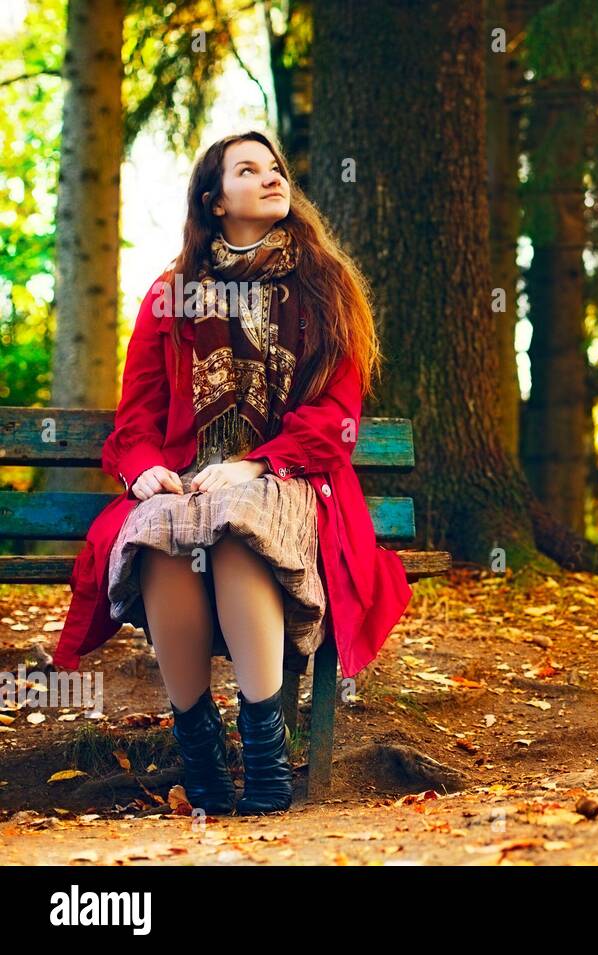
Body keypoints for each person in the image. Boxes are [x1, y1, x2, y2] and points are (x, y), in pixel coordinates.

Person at [54, 131, 414, 815]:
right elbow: (137, 416)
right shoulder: (172, 296)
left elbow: (336, 418)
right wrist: (145, 471)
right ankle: (201, 754)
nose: (272, 176)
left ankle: (266, 755)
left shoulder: (324, 286)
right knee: (161, 525)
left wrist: (254, 465)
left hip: (294, 481)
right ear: (215, 201)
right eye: (249, 169)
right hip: (190, 482)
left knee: (234, 518)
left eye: (275, 166)